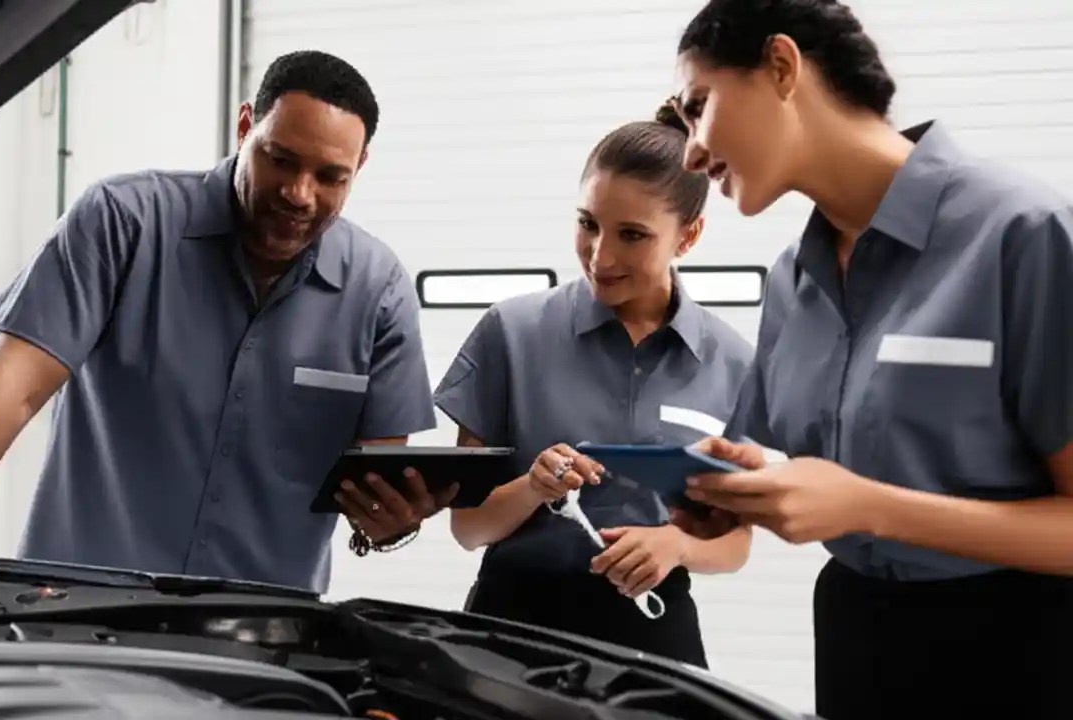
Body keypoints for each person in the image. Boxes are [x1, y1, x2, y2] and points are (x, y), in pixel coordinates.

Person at [0, 50, 456, 594]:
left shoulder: (379, 291)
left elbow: (377, 486)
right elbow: (7, 395)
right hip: (80, 614)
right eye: (280, 159)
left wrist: (390, 526)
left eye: (330, 177)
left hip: (263, 639)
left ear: (360, 166)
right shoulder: (122, 223)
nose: (298, 194)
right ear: (244, 127)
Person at [668, 1, 1073, 717]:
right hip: (857, 636)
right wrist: (749, 494)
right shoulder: (792, 280)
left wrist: (869, 507)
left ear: (782, 67)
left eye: (697, 107)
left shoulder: (1021, 235)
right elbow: (824, 474)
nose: (690, 152)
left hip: (1021, 646)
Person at [432, 107, 755, 668]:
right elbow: (468, 527)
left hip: (653, 632)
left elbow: (735, 543)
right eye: (588, 224)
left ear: (690, 235)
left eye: (632, 235)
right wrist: (532, 488)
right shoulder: (509, 334)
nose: (600, 256)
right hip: (512, 630)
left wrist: (676, 545)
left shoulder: (731, 363)